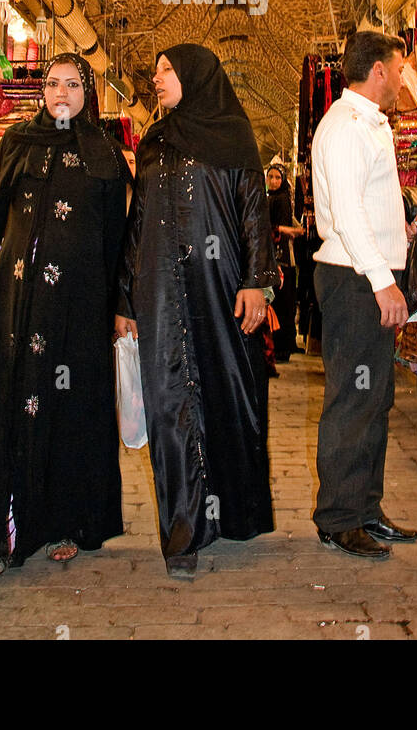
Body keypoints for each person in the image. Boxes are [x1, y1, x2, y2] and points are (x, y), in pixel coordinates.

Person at [0, 55, 129, 576]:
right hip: (14, 304)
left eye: (72, 85)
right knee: (6, 408)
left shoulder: (105, 153)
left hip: (77, 312)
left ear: (86, 92)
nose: (61, 92)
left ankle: (68, 525)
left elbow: (118, 243)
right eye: (53, 83)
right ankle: (3, 536)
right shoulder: (17, 143)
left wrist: (123, 307)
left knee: (71, 414)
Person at [115, 43, 278, 579]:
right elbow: (137, 222)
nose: (156, 78)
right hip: (160, 291)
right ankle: (182, 531)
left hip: (221, 286)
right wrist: (125, 297)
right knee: (168, 404)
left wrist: (258, 283)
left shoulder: (233, 135)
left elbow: (256, 215)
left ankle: (234, 511)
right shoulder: (155, 143)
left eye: (166, 70)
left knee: (231, 395)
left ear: (196, 76)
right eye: (155, 69)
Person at [310, 29, 417, 559]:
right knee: (353, 399)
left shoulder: (368, 125)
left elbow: (367, 206)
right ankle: (338, 516)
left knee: (375, 398)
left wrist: (403, 227)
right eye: (399, 68)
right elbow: (348, 215)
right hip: (355, 281)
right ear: (378, 69)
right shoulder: (347, 127)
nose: (402, 78)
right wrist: (382, 280)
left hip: (366, 275)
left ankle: (365, 509)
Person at [266, 164, 301, 362]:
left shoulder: (281, 199)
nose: (273, 181)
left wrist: (283, 230)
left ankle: (282, 348)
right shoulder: (271, 198)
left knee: (283, 302)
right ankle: (281, 346)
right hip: (277, 258)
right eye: (270, 177)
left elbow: (277, 227)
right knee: (280, 302)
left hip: (281, 259)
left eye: (277, 177)